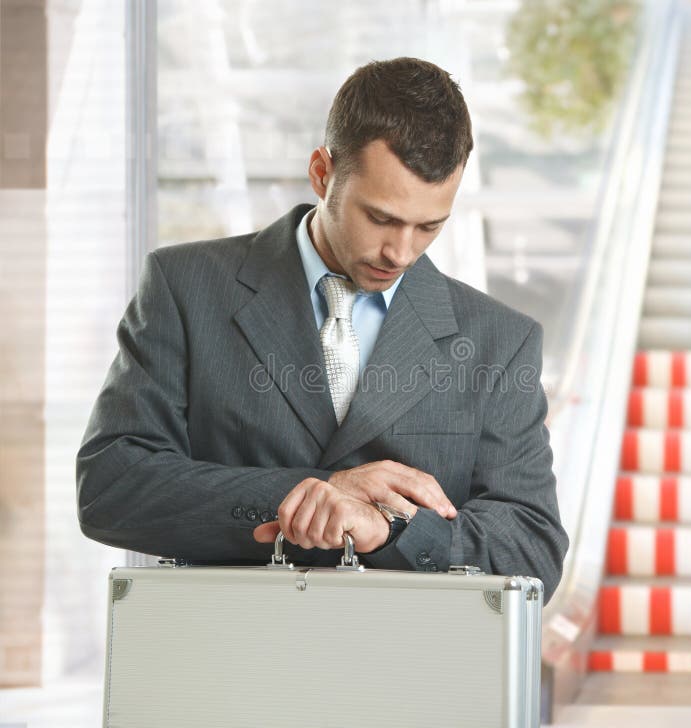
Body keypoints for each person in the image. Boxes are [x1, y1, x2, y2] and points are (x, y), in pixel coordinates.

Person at [76, 57, 568, 602]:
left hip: (414, 677)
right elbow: (111, 485)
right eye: (380, 218)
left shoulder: (501, 341)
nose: (399, 252)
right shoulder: (184, 288)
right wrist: (308, 495)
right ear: (321, 173)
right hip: (225, 665)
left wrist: (392, 531)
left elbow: (532, 549)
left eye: (429, 227)